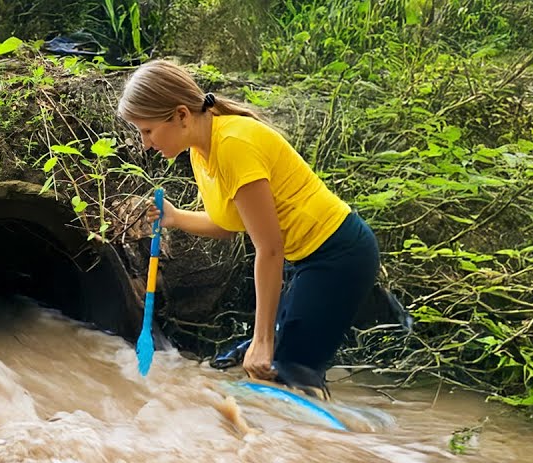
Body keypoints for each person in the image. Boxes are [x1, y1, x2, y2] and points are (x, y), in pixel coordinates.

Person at [118, 59, 379, 389]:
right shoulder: (202, 150)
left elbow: (269, 248)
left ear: (181, 115)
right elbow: (231, 223)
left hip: (338, 256)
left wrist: (263, 339)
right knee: (241, 364)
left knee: (289, 369)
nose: (145, 143)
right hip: (307, 260)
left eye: (147, 130)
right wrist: (176, 218)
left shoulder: (232, 147)